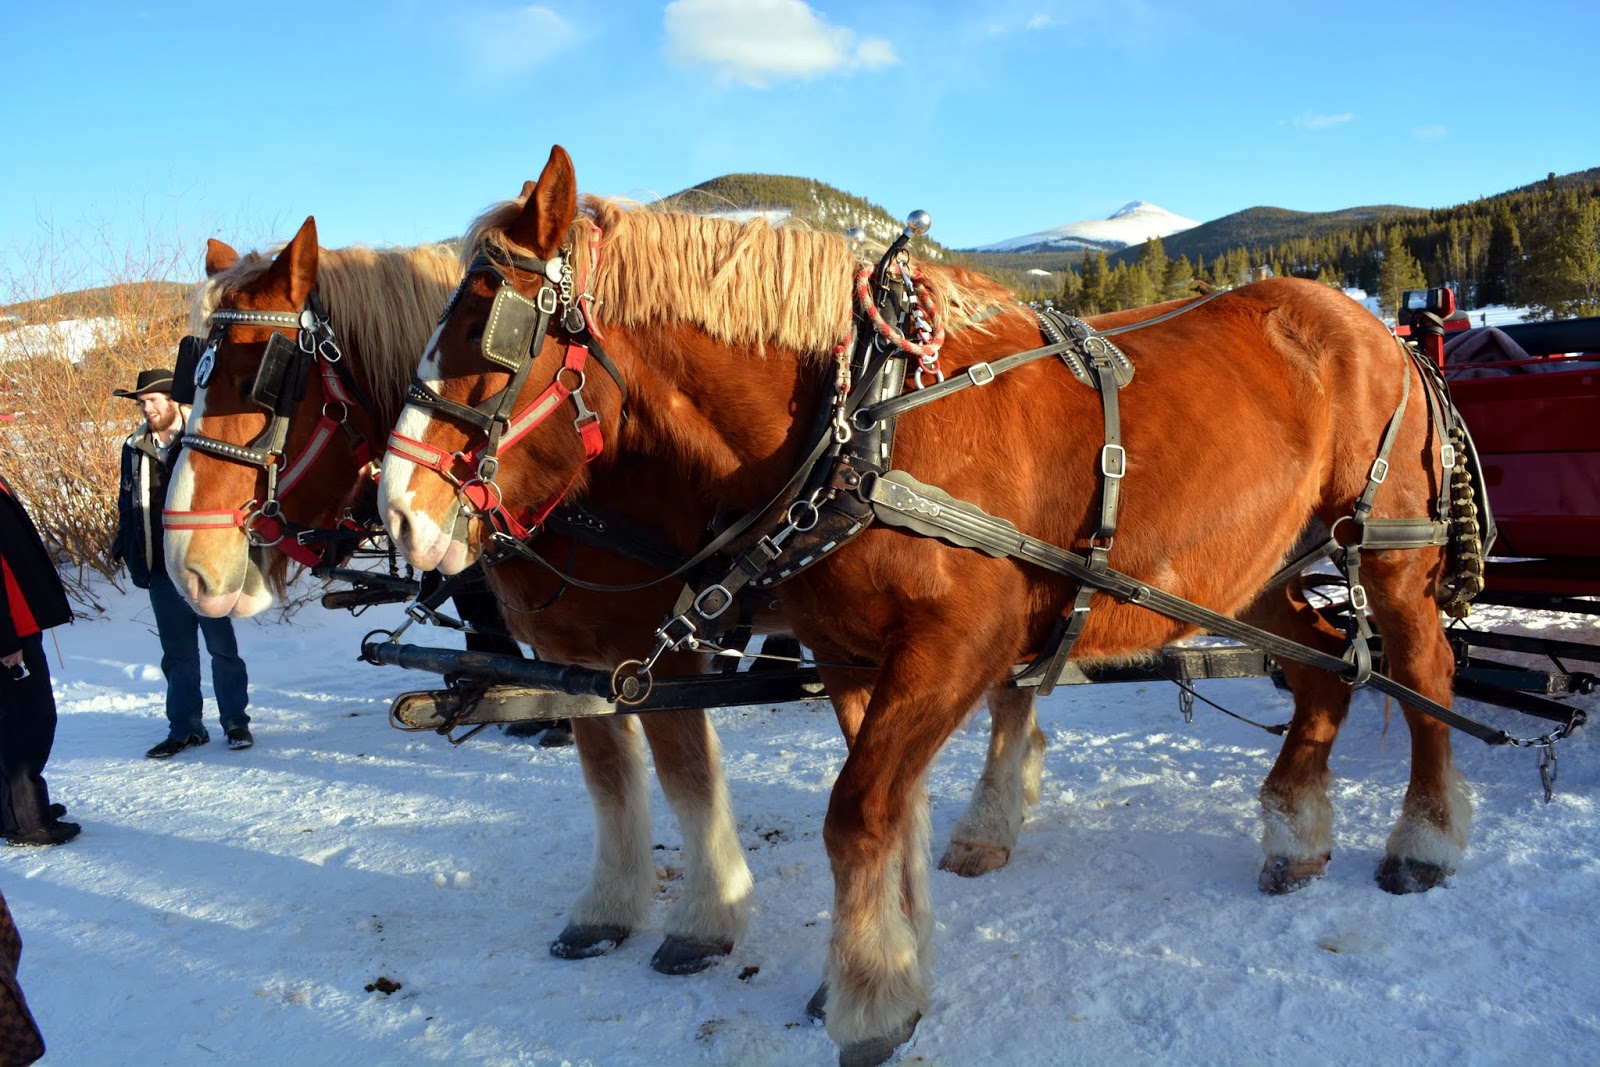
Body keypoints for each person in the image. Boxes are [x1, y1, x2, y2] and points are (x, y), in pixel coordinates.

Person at [111, 368, 252, 759]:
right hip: (161, 568)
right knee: (177, 656)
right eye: (142, 403)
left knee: (222, 649)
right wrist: (127, 546)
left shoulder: (203, 437)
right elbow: (130, 504)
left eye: (153, 400)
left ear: (174, 400)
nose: (147, 408)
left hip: (205, 563)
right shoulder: (134, 446)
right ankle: (186, 728)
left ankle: (236, 722)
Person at [0, 470, 77, 847]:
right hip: (9, 633)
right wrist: (5, 639)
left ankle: (15, 808)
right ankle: (27, 820)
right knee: (30, 720)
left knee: (17, 719)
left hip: (19, 624)